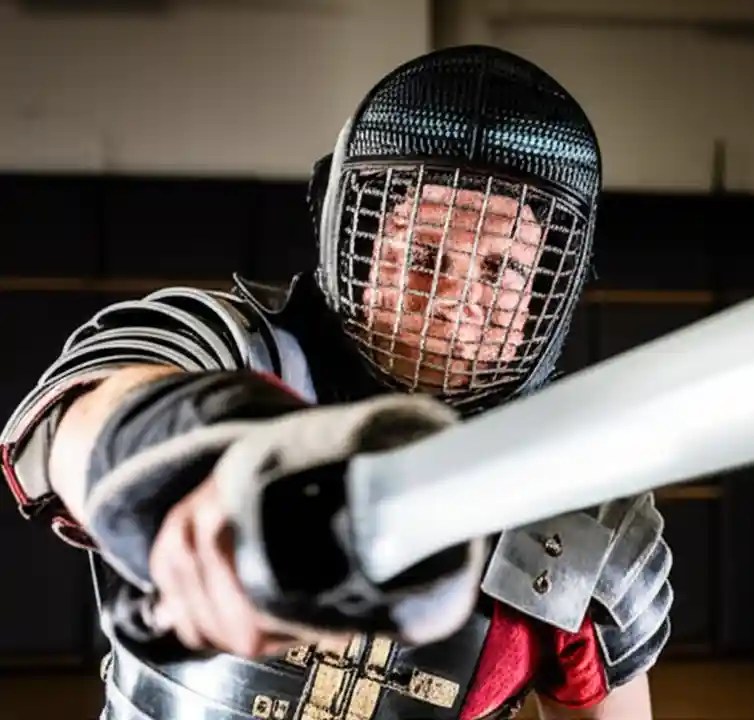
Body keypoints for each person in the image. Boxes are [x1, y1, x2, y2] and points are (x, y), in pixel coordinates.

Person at [0, 45, 672, 720]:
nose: (453, 296)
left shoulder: (580, 499)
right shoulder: (232, 350)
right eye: (423, 254)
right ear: (355, 243)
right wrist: (192, 457)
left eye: (501, 270)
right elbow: (83, 416)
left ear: (545, 292)